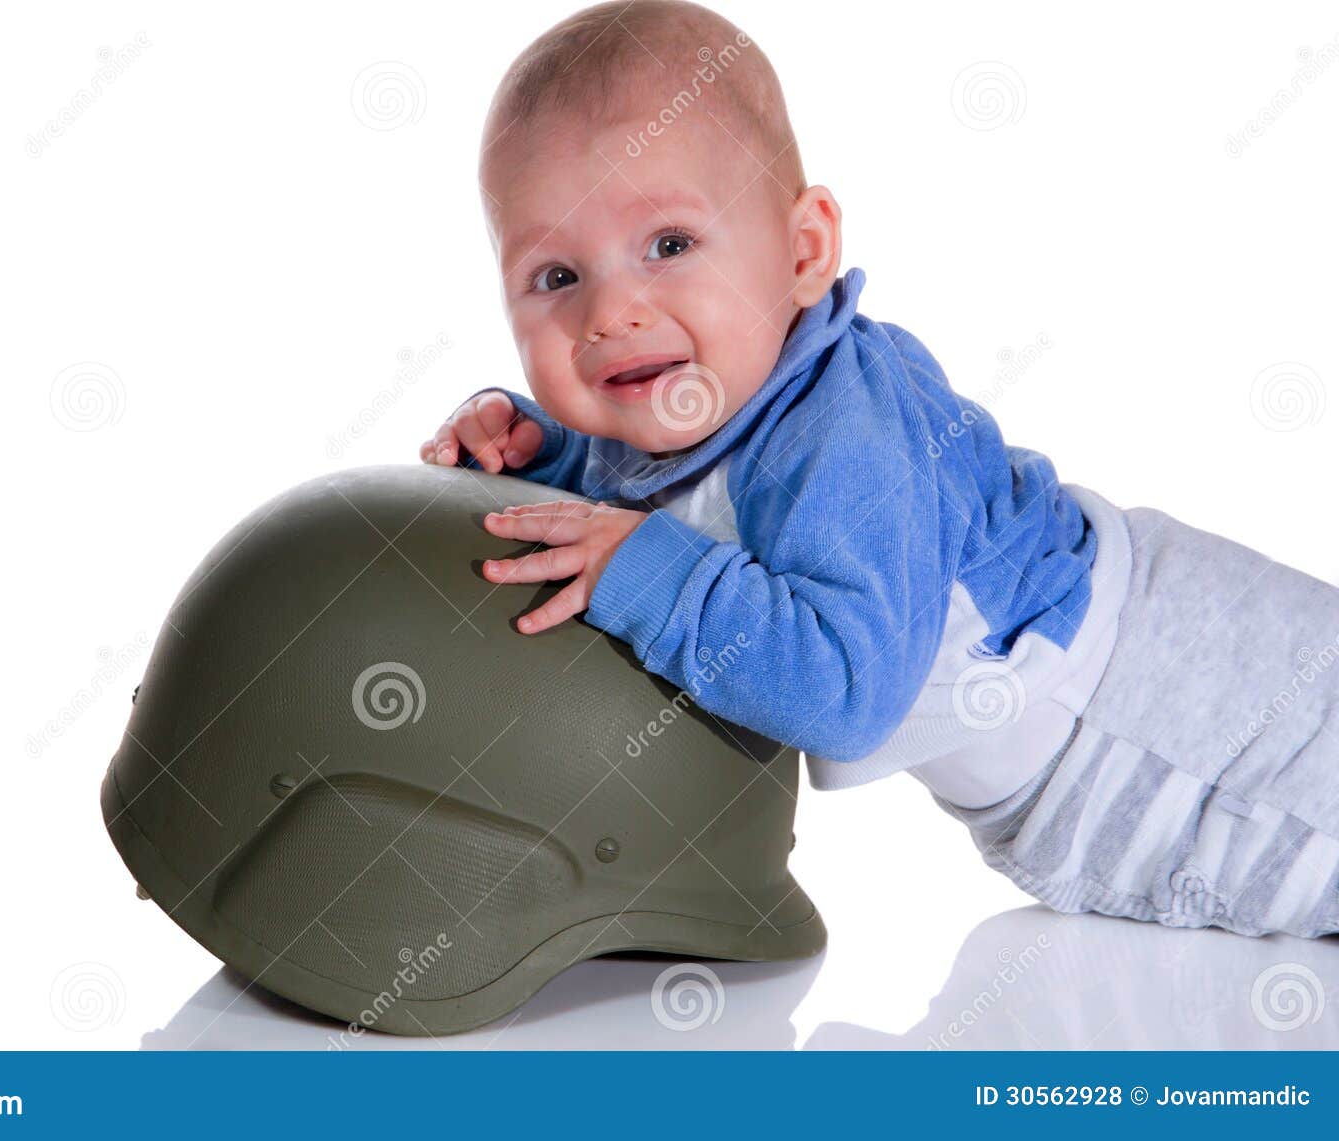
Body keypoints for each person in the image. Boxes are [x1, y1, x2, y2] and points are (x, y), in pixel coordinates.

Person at [419, 0, 1339, 939]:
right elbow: (679, 483)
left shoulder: (844, 427)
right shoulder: (717, 390)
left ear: (804, 251)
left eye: (668, 245)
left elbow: (844, 690)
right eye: (556, 278)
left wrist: (638, 569)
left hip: (1180, 712)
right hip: (1110, 783)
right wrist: (545, 451)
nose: (609, 311)